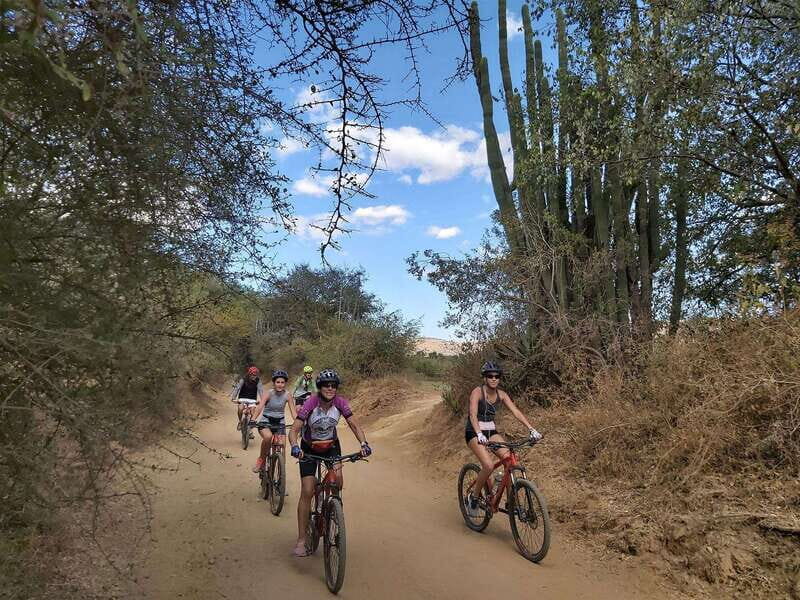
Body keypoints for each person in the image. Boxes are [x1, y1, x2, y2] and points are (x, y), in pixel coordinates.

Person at [288, 368, 371, 557]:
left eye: (334, 385)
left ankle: (332, 509)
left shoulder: (340, 403)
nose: (330, 388)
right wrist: (295, 447)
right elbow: (294, 430)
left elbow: (354, 424)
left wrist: (364, 443)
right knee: (307, 491)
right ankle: (301, 539)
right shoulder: (311, 403)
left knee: (337, 481)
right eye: (326, 385)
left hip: (331, 446)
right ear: (319, 387)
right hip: (309, 448)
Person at [464, 361, 542, 517]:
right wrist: (479, 433)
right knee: (487, 465)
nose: (494, 379)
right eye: (490, 376)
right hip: (474, 432)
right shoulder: (477, 392)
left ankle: (510, 502)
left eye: (497, 376)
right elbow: (472, 414)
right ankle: (473, 497)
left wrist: (532, 429)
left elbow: (516, 412)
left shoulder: (501, 394)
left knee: (510, 460)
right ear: (485, 378)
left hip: (491, 431)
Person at [251, 370, 297, 473]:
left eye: (282, 382)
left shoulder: (288, 395)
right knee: (268, 437)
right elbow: (259, 407)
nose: (280, 385)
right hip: (265, 421)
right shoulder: (268, 393)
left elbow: (294, 413)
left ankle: (280, 475)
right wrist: (253, 419)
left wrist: (300, 423)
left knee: (282, 447)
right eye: (278, 382)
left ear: (285, 383)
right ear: (274, 383)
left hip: (280, 423)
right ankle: (261, 461)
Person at [230, 366, 264, 432]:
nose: (254, 376)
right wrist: (233, 398)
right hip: (242, 399)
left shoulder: (258, 381)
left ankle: (250, 428)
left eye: (255, 375)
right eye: (252, 375)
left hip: (252, 400)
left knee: (253, 413)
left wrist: (262, 400)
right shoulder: (243, 379)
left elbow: (261, 391)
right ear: (249, 374)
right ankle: (240, 422)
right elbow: (237, 388)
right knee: (240, 408)